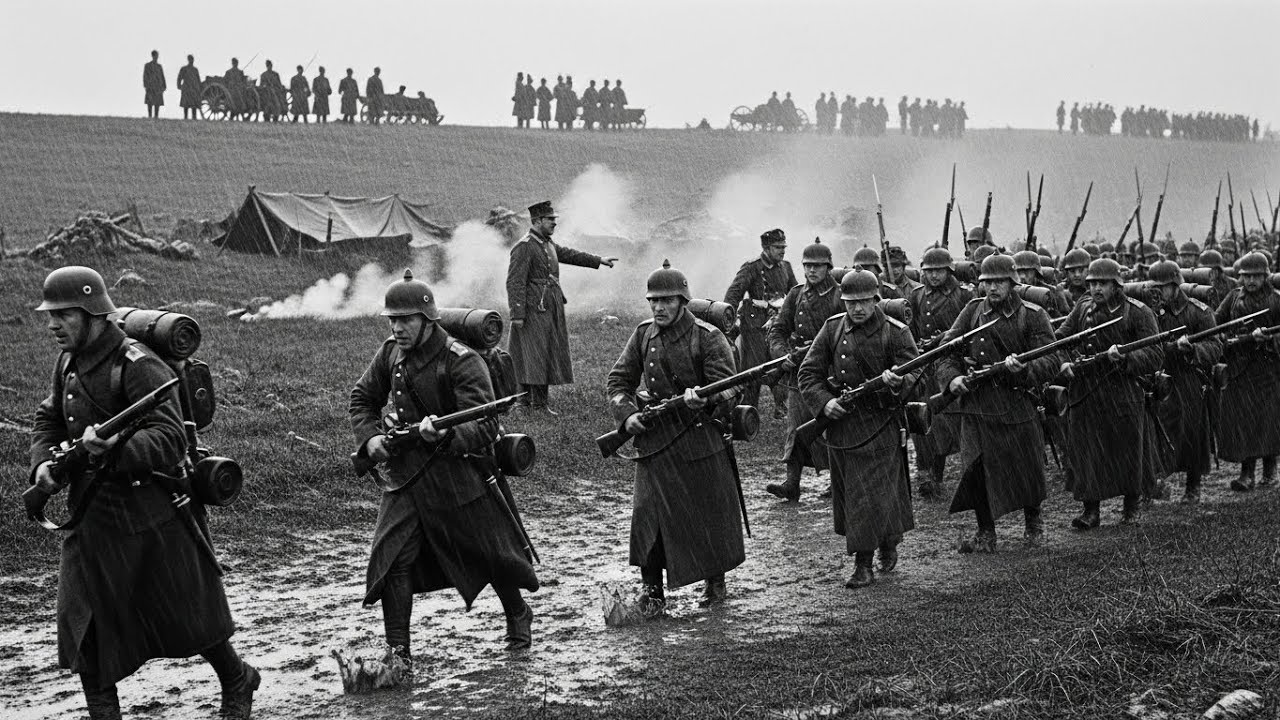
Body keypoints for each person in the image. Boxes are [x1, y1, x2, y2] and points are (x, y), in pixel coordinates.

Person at [28, 266, 258, 720]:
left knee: (187, 615)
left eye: (63, 315)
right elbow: (48, 417)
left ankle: (237, 678)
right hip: (91, 516)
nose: (53, 325)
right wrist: (43, 466)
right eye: (50, 315)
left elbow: (171, 438)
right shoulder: (69, 361)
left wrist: (116, 450)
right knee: (87, 632)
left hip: (150, 511)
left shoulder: (137, 366)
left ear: (93, 314)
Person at [350, 271, 540, 662]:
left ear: (427, 318)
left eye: (405, 320)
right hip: (406, 477)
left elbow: (485, 423)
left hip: (458, 475)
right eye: (392, 320)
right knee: (392, 560)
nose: (398, 328)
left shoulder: (461, 360)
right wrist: (370, 440)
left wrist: (446, 435)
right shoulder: (390, 353)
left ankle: (518, 612)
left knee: (491, 553)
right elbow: (363, 398)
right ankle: (398, 653)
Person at [605, 260, 746, 609]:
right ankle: (652, 590)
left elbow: (730, 391)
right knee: (648, 517)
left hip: (698, 438)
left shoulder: (708, 338)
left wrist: (705, 398)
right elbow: (618, 380)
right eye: (653, 301)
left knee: (706, 514)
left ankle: (715, 583)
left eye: (666, 301)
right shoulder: (642, 334)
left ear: (683, 301)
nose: (658, 307)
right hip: (654, 441)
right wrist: (627, 416)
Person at [798, 269, 918, 589]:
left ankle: (863, 564)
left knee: (869, 495)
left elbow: (914, 378)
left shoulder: (896, 332)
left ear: (876, 299)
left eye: (864, 302)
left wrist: (896, 384)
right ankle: (888, 536)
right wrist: (824, 404)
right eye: (851, 302)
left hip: (879, 426)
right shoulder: (832, 328)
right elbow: (808, 373)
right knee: (855, 497)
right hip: (842, 427)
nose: (858, 309)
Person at [935, 254, 1058, 552]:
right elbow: (946, 351)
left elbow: (1053, 358)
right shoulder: (972, 312)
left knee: (1026, 467)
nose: (992, 288)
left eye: (999, 281)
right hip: (978, 404)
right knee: (976, 470)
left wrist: (1026, 369)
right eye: (987, 282)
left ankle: (1033, 523)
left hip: (1016, 400)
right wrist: (952, 379)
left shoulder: (1033, 314)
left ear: (1012, 283)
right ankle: (986, 531)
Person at [1057, 258, 1162, 529]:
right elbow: (1061, 339)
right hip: (1087, 389)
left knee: (1127, 449)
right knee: (1087, 451)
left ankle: (1131, 507)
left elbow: (1155, 353)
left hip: (1123, 389)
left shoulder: (1138, 312)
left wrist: (1126, 357)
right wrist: (1064, 362)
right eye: (1092, 283)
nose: (1095, 289)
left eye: (1102, 283)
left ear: (1117, 285)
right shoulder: (1082, 308)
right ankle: (1091, 510)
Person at [505, 201, 619, 413]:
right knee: (529, 355)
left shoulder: (546, 244)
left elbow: (569, 254)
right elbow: (515, 282)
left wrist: (598, 260)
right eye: (551, 220)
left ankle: (539, 404)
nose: (554, 223)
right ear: (537, 221)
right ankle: (523, 403)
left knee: (544, 354)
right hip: (532, 310)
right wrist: (517, 314)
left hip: (549, 307)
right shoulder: (525, 246)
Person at [764, 239, 843, 501]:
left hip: (830, 373)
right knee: (795, 427)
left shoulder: (840, 296)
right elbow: (778, 329)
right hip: (799, 372)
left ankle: (838, 479)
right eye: (807, 265)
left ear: (828, 267)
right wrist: (782, 355)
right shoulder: (796, 294)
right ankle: (791, 483)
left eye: (817, 266)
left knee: (831, 426)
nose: (811, 271)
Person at [1147, 261, 1221, 503]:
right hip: (1160, 377)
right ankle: (1155, 483)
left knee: (1192, 432)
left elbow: (1215, 347)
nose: (1157, 292)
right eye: (1154, 287)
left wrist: (1192, 349)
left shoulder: (1200, 312)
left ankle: (1193, 485)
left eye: (1163, 287)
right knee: (1157, 430)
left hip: (1190, 378)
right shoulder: (1151, 314)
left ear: (1176, 286)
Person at [907, 247, 975, 498]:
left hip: (952, 363)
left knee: (948, 421)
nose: (933, 276)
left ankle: (943, 472)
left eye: (938, 271)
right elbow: (910, 330)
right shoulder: (916, 296)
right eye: (928, 271)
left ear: (949, 271)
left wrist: (948, 341)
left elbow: (972, 329)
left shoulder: (964, 296)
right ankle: (926, 475)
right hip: (924, 365)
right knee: (922, 418)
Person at [1215, 251, 1280, 490]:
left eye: (1256, 276)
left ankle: (1270, 472)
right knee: (1244, 422)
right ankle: (1247, 474)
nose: (1251, 281)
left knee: (1269, 422)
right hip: (1240, 369)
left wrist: (1268, 338)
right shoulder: (1233, 299)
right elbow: (1216, 323)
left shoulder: (1276, 300)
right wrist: (1227, 336)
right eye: (1246, 276)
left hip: (1268, 369)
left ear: (1265, 276)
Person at [723, 229, 797, 415]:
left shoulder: (786, 267)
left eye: (783, 247)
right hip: (755, 326)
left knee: (781, 363)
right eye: (778, 247)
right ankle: (748, 411)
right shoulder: (751, 268)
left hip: (779, 324)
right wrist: (727, 319)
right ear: (766, 248)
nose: (782, 251)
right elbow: (734, 294)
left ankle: (781, 406)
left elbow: (795, 293)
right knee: (752, 370)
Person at [1013, 250, 1071, 317]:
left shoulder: (1050, 292)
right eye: (1018, 272)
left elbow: (1063, 319)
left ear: (1036, 272)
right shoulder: (1010, 294)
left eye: (1027, 271)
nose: (1022, 276)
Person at [176, 55, 201, 120]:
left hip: (194, 89)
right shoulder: (184, 69)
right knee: (186, 105)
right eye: (190, 59)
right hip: (186, 88)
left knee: (194, 106)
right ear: (188, 60)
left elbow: (198, 80)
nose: (191, 61)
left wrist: (199, 88)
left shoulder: (195, 70)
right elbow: (179, 78)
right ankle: (185, 118)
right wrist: (179, 85)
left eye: (192, 59)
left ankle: (194, 118)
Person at [143, 50, 166, 118]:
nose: (156, 57)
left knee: (157, 103)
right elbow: (145, 76)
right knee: (150, 103)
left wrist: (164, 85)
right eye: (155, 55)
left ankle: (156, 116)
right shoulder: (147, 65)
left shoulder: (159, 66)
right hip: (150, 86)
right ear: (153, 56)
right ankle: (149, 116)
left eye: (157, 55)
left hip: (158, 87)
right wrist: (146, 85)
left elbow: (162, 76)